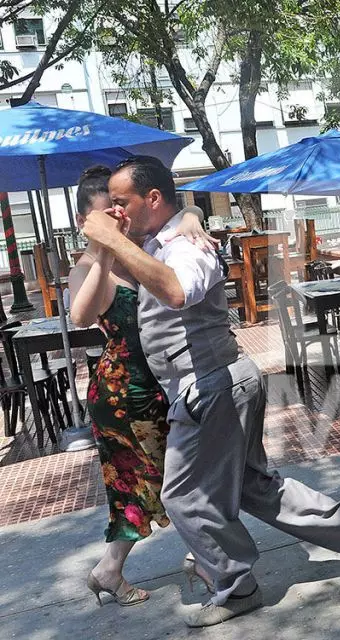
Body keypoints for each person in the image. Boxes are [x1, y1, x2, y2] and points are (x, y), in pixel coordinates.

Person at [81, 156, 340, 627]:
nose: (116, 212)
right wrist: (123, 239)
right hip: (213, 385)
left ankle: (236, 585)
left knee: (183, 495)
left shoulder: (187, 247)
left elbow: (179, 292)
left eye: (122, 203)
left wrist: (150, 229)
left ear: (153, 199)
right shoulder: (164, 240)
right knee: (253, 487)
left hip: (213, 385)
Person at [70, 166, 213, 608]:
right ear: (85, 223)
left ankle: (109, 570)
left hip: (156, 385)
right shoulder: (90, 266)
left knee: (147, 483)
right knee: (170, 480)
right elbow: (80, 316)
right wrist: (103, 250)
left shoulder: (141, 250)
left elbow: (169, 231)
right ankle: (206, 560)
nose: (118, 220)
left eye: (120, 211)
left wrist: (191, 214)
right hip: (123, 393)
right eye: (106, 215)